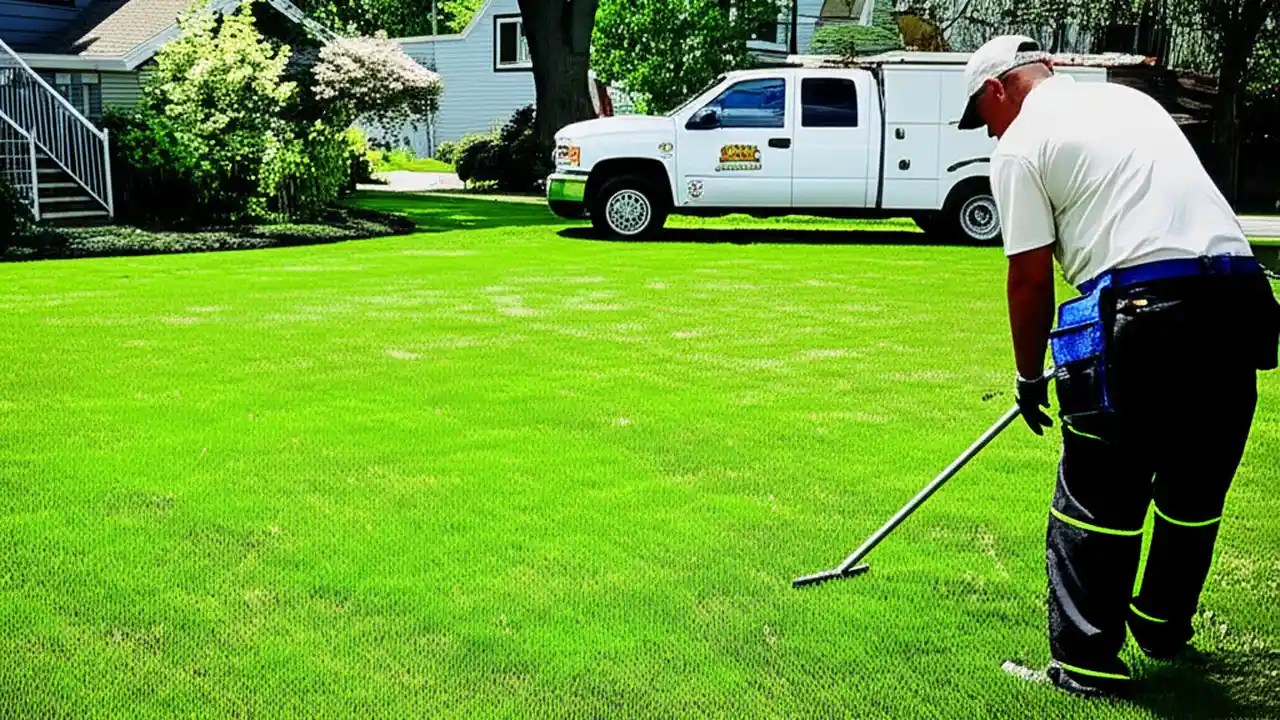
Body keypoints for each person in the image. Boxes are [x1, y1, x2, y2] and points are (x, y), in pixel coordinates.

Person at [956, 34, 1280, 699]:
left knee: (1099, 490)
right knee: (1195, 483)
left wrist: (1027, 376)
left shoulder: (1019, 146)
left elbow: (1028, 276)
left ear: (997, 89)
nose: (988, 133)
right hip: (1240, 297)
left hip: (1145, 311)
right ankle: (1162, 625)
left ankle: (1085, 663)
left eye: (982, 116)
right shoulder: (1131, 103)